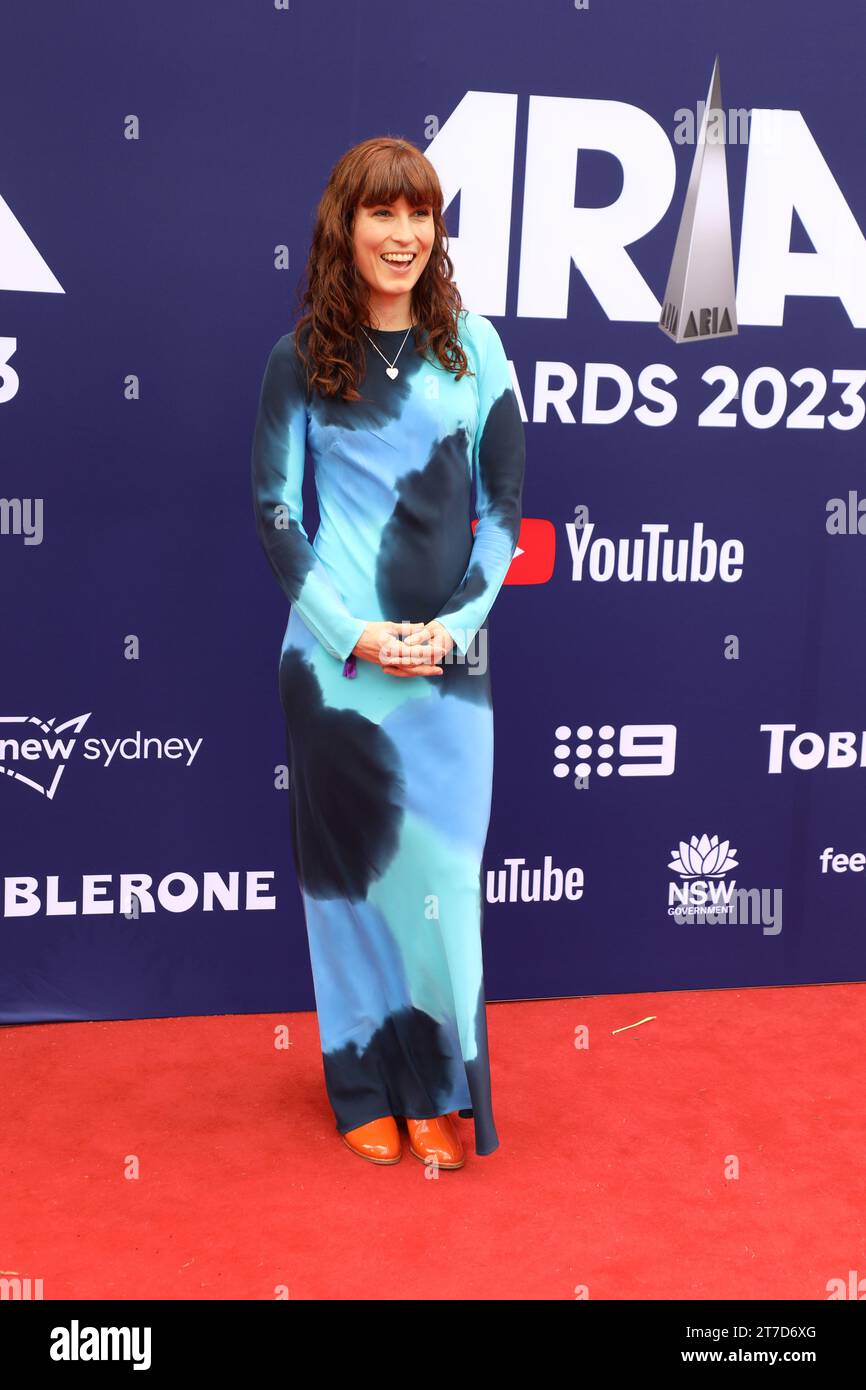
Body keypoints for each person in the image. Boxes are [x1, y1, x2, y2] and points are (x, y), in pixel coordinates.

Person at [250, 135, 525, 1169]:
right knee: (351, 886)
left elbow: (501, 510)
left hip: (449, 676)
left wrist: (450, 634)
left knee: (441, 886)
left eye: (419, 215)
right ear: (344, 227)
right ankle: (363, 1077)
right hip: (335, 667)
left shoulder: (476, 350)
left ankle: (438, 1087)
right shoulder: (300, 357)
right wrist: (356, 634)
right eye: (381, 214)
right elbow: (276, 513)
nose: (402, 235)